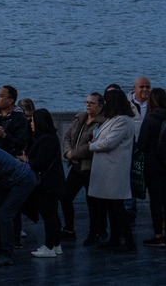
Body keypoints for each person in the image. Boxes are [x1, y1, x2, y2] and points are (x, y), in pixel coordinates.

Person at [87, 88, 137, 252]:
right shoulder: (115, 119)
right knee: (112, 206)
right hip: (109, 169)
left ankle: (128, 242)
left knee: (117, 207)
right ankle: (115, 238)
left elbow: (109, 142)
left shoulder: (122, 120)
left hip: (113, 169)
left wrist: (92, 146)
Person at [137, 87, 166, 247]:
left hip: (153, 165)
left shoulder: (150, 120)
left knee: (156, 200)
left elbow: (141, 145)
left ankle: (158, 236)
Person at [24, 109, 67, 257]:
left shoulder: (46, 139)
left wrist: (26, 160)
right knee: (53, 214)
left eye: (33, 121)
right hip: (54, 182)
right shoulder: (50, 138)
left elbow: (40, 162)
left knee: (49, 215)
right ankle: (55, 245)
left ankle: (49, 247)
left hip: (48, 184)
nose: (31, 124)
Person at [61, 92, 103, 242]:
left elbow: (92, 146)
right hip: (76, 166)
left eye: (92, 103)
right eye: (87, 102)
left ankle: (95, 232)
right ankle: (69, 229)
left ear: (100, 106)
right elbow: (67, 136)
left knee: (92, 201)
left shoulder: (101, 123)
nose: (88, 105)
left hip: (90, 167)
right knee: (65, 197)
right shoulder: (80, 118)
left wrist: (74, 154)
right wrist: (67, 152)